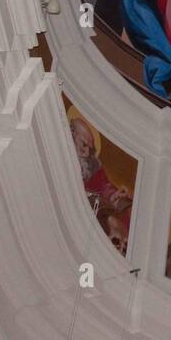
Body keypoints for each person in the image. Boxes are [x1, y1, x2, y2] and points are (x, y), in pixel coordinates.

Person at [68, 109, 132, 254]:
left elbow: (103, 186)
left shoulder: (92, 164)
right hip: (75, 207)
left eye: (90, 148)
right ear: (71, 134)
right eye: (83, 144)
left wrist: (113, 196)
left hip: (93, 207)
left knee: (125, 208)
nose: (86, 152)